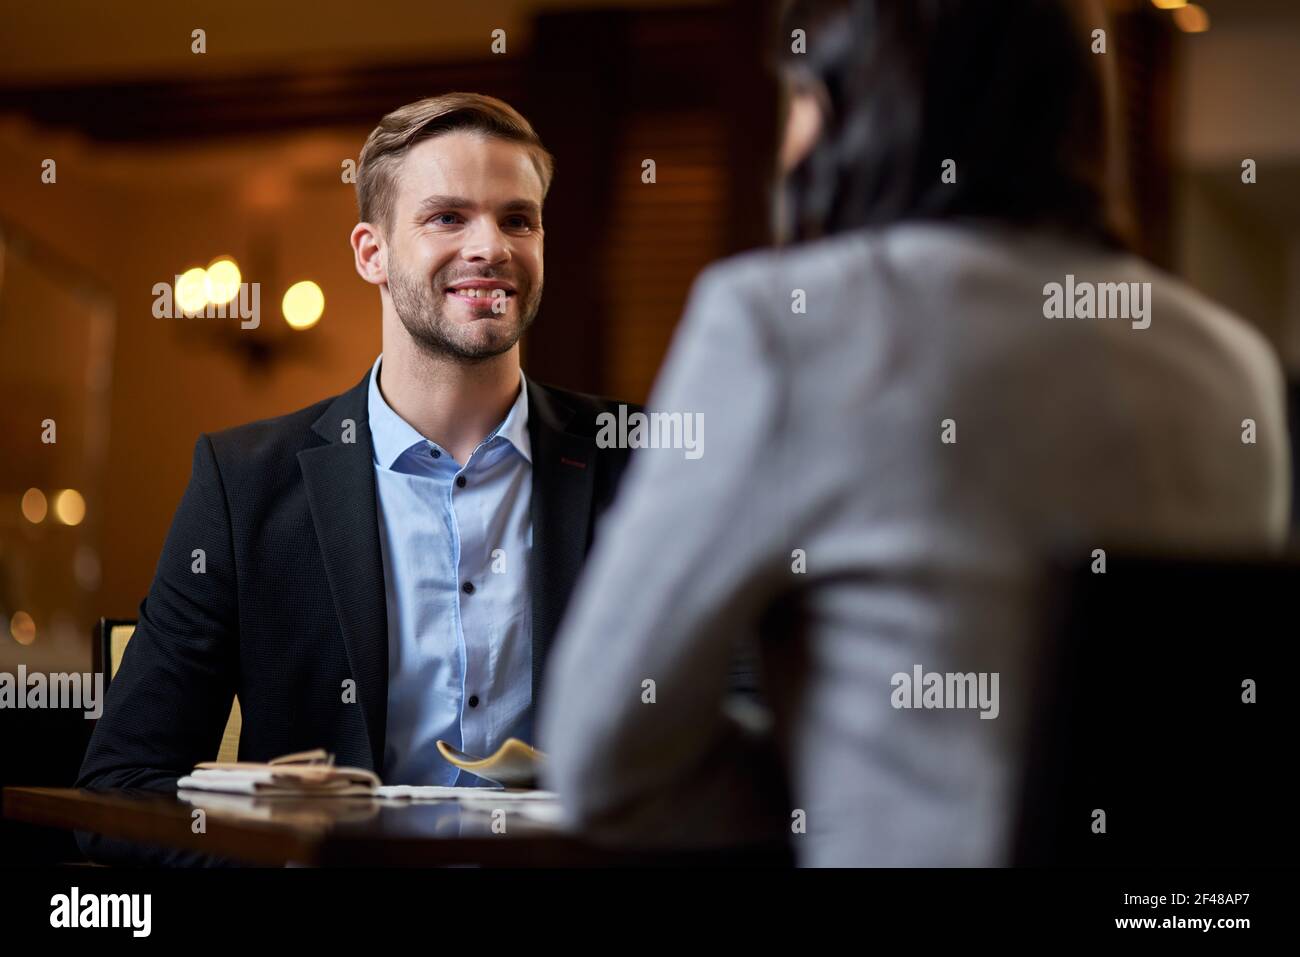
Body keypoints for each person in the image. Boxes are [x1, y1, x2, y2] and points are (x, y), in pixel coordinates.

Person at [537, 0, 1290, 866]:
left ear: (862, 109)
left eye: (803, 99)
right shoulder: (1236, 368)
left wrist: (842, 787)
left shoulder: (784, 326)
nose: (786, 149)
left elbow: (603, 756)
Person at [77, 93, 641, 864]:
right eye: (447, 217)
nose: (492, 247)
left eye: (518, 219)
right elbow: (120, 788)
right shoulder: (242, 484)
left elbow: (754, 742)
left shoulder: (643, 462)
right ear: (370, 252)